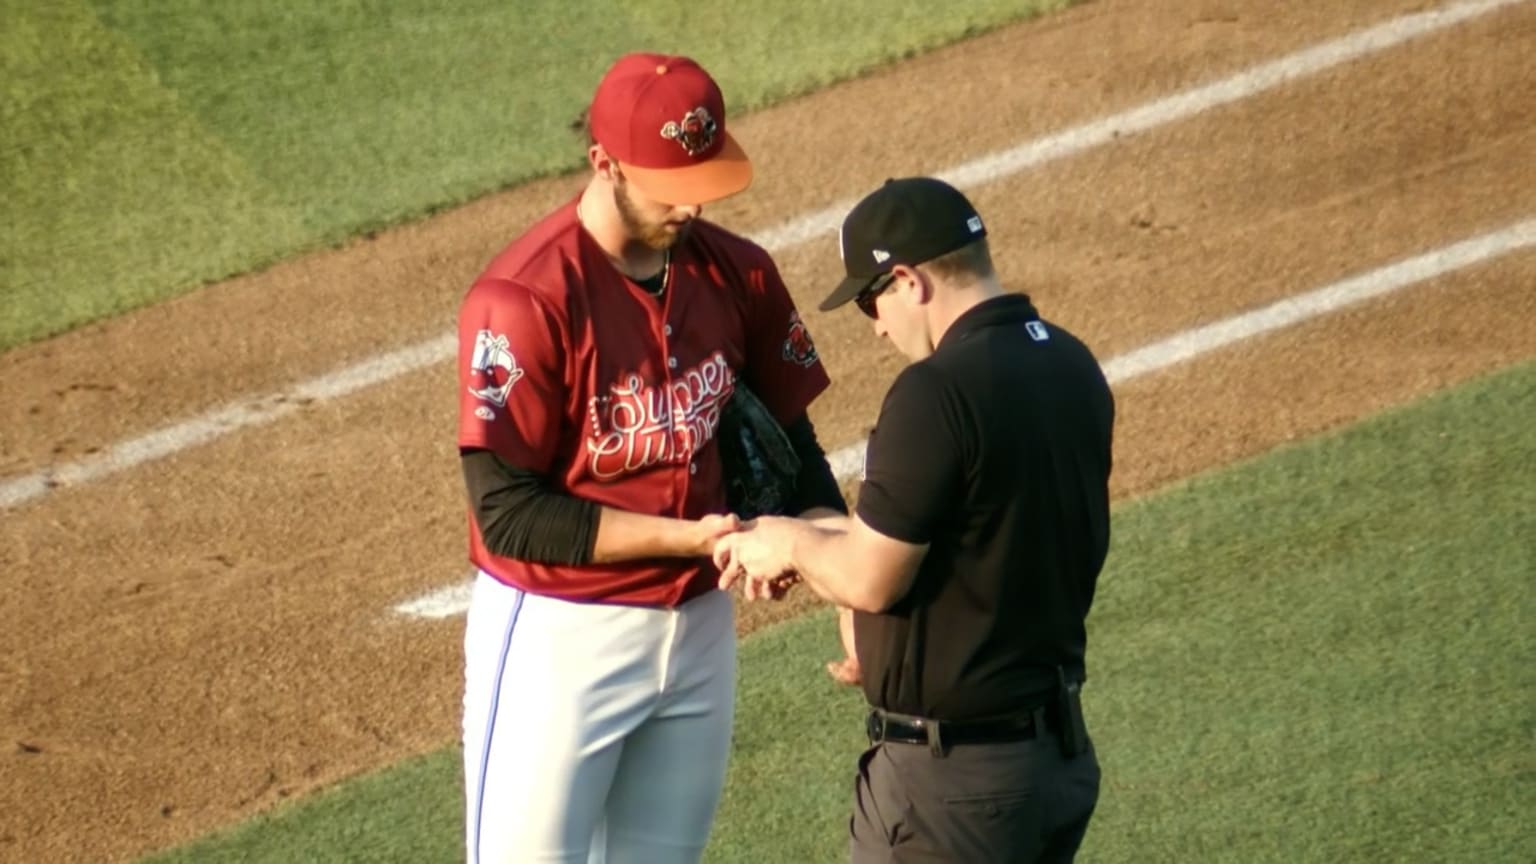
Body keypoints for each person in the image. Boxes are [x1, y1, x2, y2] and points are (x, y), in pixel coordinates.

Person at [455, 53, 846, 864]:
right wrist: (703, 538)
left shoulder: (737, 271)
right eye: (669, 181)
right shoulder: (525, 299)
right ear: (604, 163)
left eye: (700, 175)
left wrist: (842, 576)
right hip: (560, 638)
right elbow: (509, 512)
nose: (693, 201)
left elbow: (795, 450)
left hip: (700, 629)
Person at [715, 177, 1116, 863]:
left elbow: (870, 579)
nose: (875, 324)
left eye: (873, 299)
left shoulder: (936, 393)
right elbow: (983, 538)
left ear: (908, 280)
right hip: (1051, 763)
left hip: (954, 788)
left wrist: (785, 538)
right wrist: (878, 635)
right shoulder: (1071, 362)